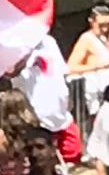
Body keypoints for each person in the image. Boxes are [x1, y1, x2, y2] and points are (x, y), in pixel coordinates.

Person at [11, 35, 83, 167]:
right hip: (38, 122)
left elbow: (62, 72)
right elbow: (9, 71)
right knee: (43, 165)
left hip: (62, 117)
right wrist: (27, 53)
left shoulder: (49, 41)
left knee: (75, 154)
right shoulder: (13, 46)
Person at [65, 5, 109, 116]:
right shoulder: (86, 39)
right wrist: (97, 66)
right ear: (91, 21)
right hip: (94, 92)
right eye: (101, 25)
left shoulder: (104, 38)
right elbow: (70, 68)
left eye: (108, 25)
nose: (105, 29)